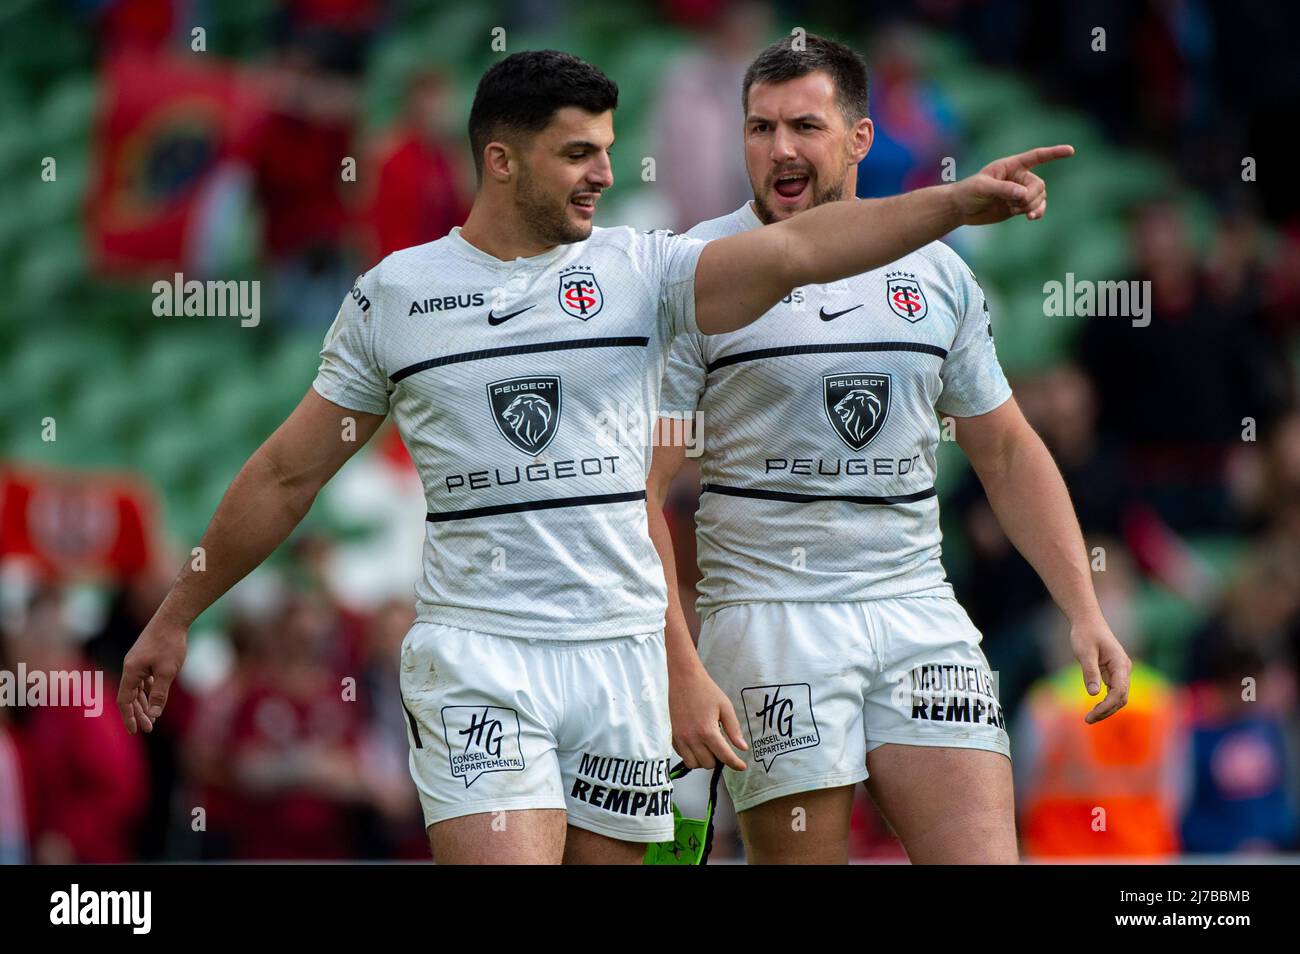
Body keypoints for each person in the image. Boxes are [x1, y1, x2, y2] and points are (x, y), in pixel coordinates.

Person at [119, 48, 1071, 865]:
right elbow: (291, 471)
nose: (600, 176)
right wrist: (178, 615)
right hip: (479, 653)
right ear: (501, 161)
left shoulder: (640, 271)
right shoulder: (395, 297)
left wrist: (950, 205)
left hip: (619, 660)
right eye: (577, 154)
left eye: (607, 153)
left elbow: (800, 253)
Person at [648, 34, 1125, 864]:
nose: (780, 150)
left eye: (805, 126)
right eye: (759, 129)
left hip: (917, 610)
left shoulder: (937, 276)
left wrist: (1082, 608)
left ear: (862, 138)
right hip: (771, 620)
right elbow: (641, 493)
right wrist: (679, 663)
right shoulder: (701, 272)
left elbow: (1006, 449)